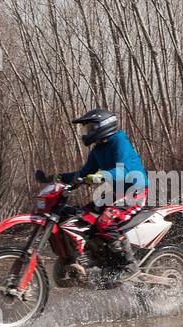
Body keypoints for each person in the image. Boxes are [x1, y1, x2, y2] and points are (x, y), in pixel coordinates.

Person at [60, 108, 146, 273]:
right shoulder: (98, 150)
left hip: (135, 192)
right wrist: (58, 178)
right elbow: (84, 173)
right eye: (86, 129)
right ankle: (100, 258)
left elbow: (125, 170)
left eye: (90, 128)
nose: (87, 132)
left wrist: (100, 175)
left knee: (105, 221)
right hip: (116, 193)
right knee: (83, 216)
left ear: (104, 126)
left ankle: (129, 265)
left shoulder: (120, 142)